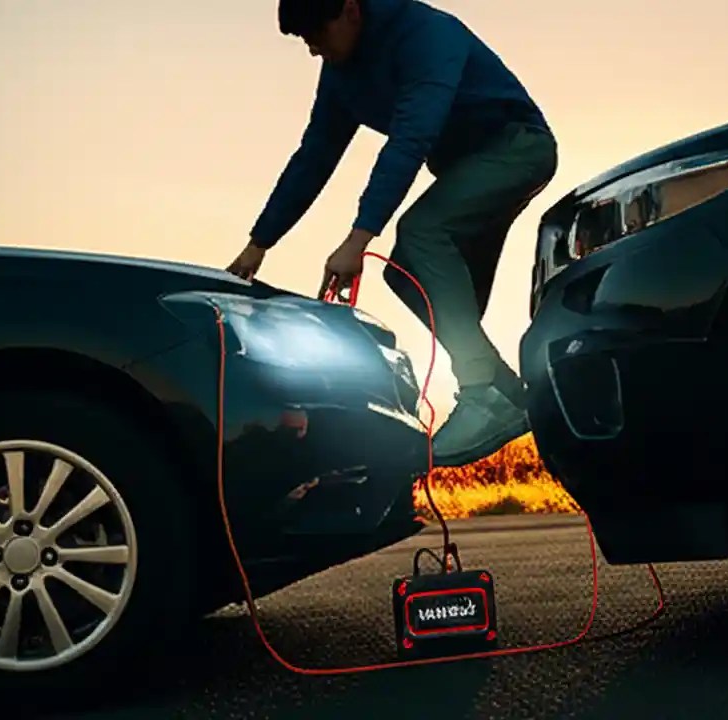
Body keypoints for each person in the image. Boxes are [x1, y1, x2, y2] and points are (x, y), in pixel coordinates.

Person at [227, 0, 558, 467]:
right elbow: (315, 156)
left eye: (316, 35)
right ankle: (509, 398)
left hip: (518, 147)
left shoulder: (426, 35)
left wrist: (358, 240)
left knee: (421, 231)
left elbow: (411, 138)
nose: (313, 50)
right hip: (464, 169)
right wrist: (259, 243)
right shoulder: (342, 73)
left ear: (349, 10)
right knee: (407, 274)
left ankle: (482, 390)